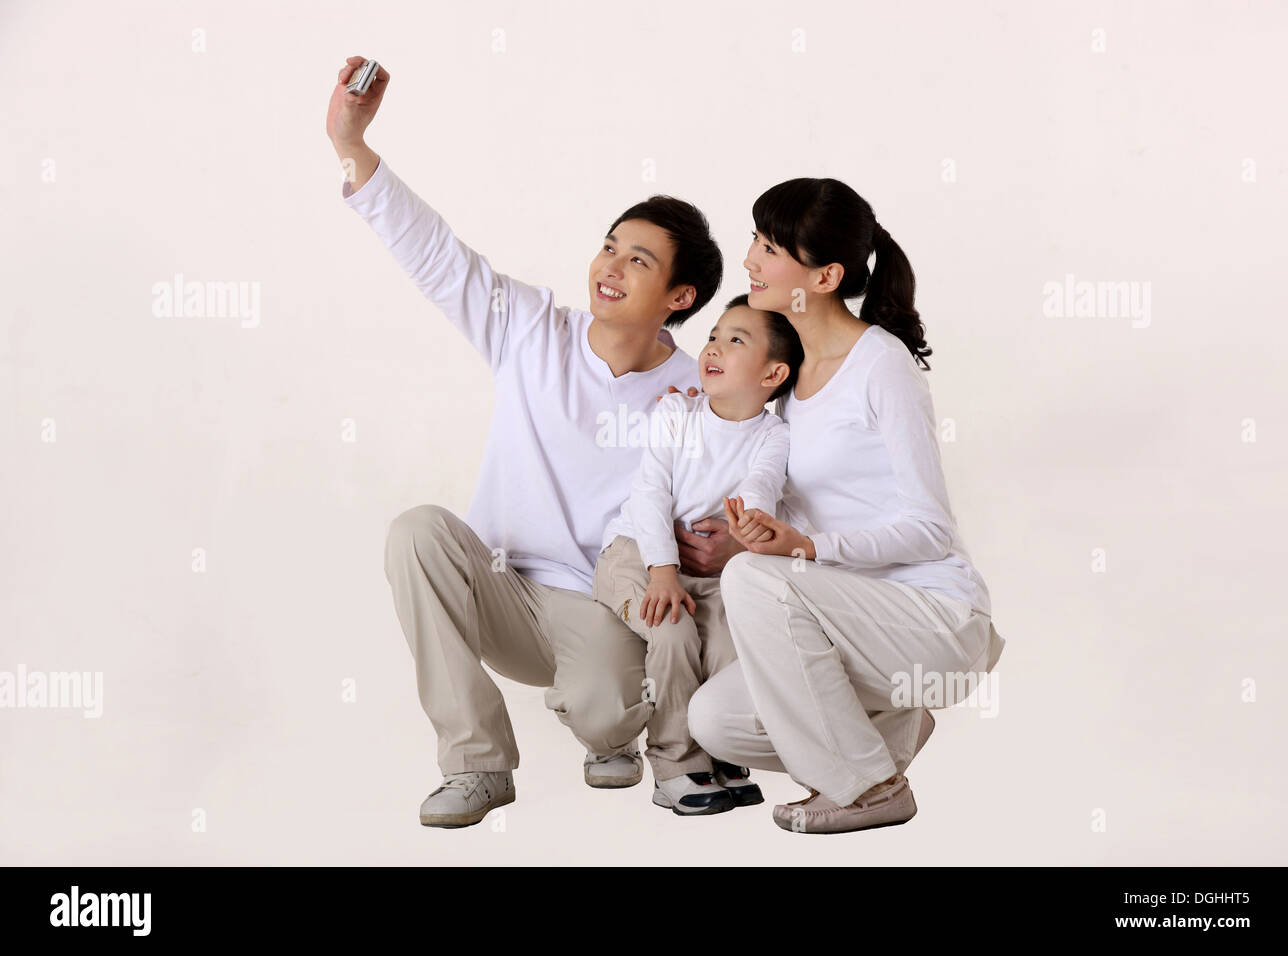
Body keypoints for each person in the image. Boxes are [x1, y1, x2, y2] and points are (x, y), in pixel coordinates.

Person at [326, 56, 734, 828]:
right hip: (502, 588)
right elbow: (435, 255)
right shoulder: (531, 328)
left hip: (600, 611)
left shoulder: (697, 395)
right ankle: (476, 764)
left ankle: (605, 728)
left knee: (608, 714)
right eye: (609, 246)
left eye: (639, 261)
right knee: (416, 531)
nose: (610, 267)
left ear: (679, 297)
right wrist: (352, 144)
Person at [688, 178, 1007, 834]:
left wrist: (808, 549)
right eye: (754, 239)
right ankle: (892, 727)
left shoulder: (881, 366)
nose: (749, 260)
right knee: (714, 721)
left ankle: (871, 788)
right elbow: (770, 473)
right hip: (852, 625)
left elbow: (930, 528)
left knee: (754, 579)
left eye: (770, 248)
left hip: (934, 619)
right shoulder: (789, 377)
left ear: (826, 276)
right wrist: (751, 521)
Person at [593, 295, 802, 815]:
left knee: (732, 638)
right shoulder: (676, 412)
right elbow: (650, 492)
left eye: (736, 340)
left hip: (706, 569)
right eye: (713, 336)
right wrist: (662, 572)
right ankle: (675, 762)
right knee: (674, 630)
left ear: (773, 374)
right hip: (637, 554)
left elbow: (762, 483)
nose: (713, 348)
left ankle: (719, 747)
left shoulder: (774, 435)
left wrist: (748, 522)